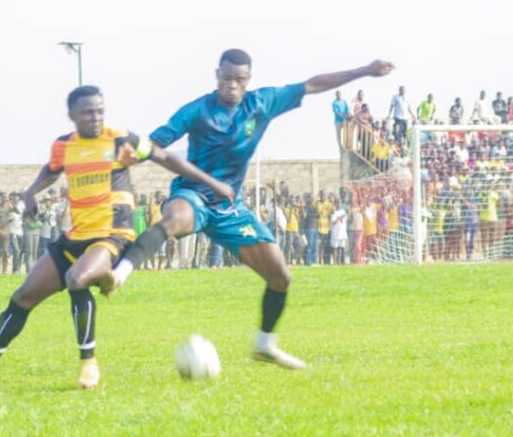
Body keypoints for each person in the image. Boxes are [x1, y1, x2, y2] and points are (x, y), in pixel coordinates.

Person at [105, 50, 394, 370]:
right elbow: (161, 138)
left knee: (281, 276)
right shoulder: (197, 111)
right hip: (194, 195)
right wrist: (135, 152)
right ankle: (120, 273)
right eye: (226, 78)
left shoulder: (262, 103)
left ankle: (264, 344)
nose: (231, 85)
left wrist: (365, 70)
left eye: (239, 80)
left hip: (230, 208)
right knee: (174, 219)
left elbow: (313, 84)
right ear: (217, 75)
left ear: (248, 80)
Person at [0, 85, 232, 391]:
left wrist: (213, 183)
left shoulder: (120, 139)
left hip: (113, 234)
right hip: (75, 237)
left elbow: (167, 159)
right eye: (87, 112)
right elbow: (51, 169)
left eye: (99, 110)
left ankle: (89, 364)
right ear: (72, 115)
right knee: (22, 297)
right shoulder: (63, 146)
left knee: (77, 278)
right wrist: (31, 192)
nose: (95, 117)